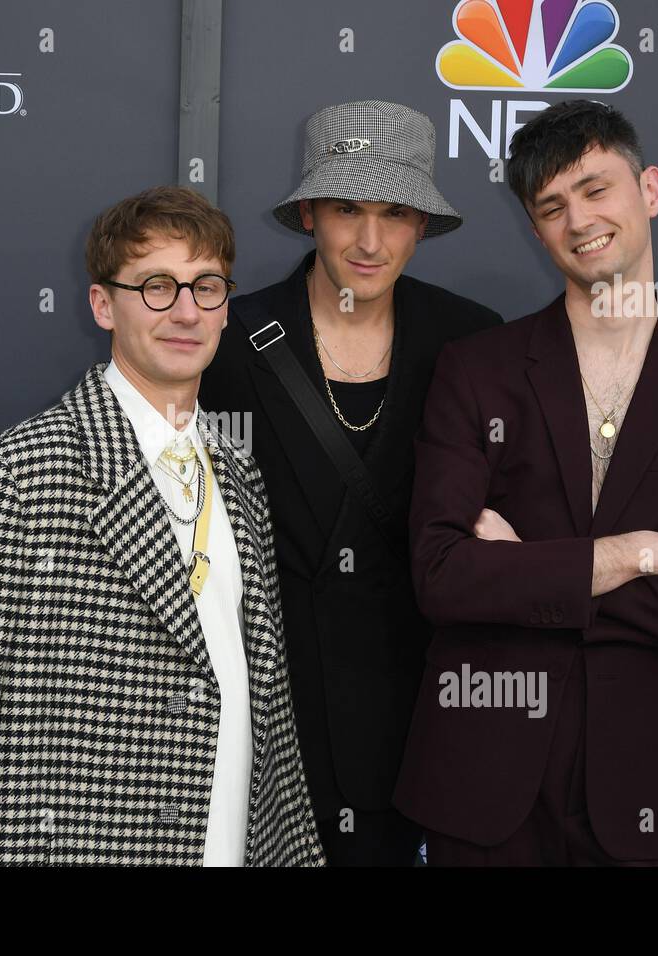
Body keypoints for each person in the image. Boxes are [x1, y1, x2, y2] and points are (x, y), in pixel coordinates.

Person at [395, 100, 658, 865]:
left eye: (596, 189)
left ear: (651, 190)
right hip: (485, 783)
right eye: (552, 206)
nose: (579, 220)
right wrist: (637, 552)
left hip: (654, 783)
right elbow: (442, 574)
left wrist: (528, 572)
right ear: (536, 229)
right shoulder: (477, 371)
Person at [0, 186, 323, 865]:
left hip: (231, 838)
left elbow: (266, 700)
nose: (186, 311)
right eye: (156, 287)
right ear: (103, 304)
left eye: (207, 287)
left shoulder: (238, 468)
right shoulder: (15, 475)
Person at [199, 100, 501, 865]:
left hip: (424, 702)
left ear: (423, 224)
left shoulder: (472, 340)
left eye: (395, 213)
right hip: (273, 708)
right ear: (308, 214)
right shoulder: (225, 339)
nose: (370, 241)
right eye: (347, 210)